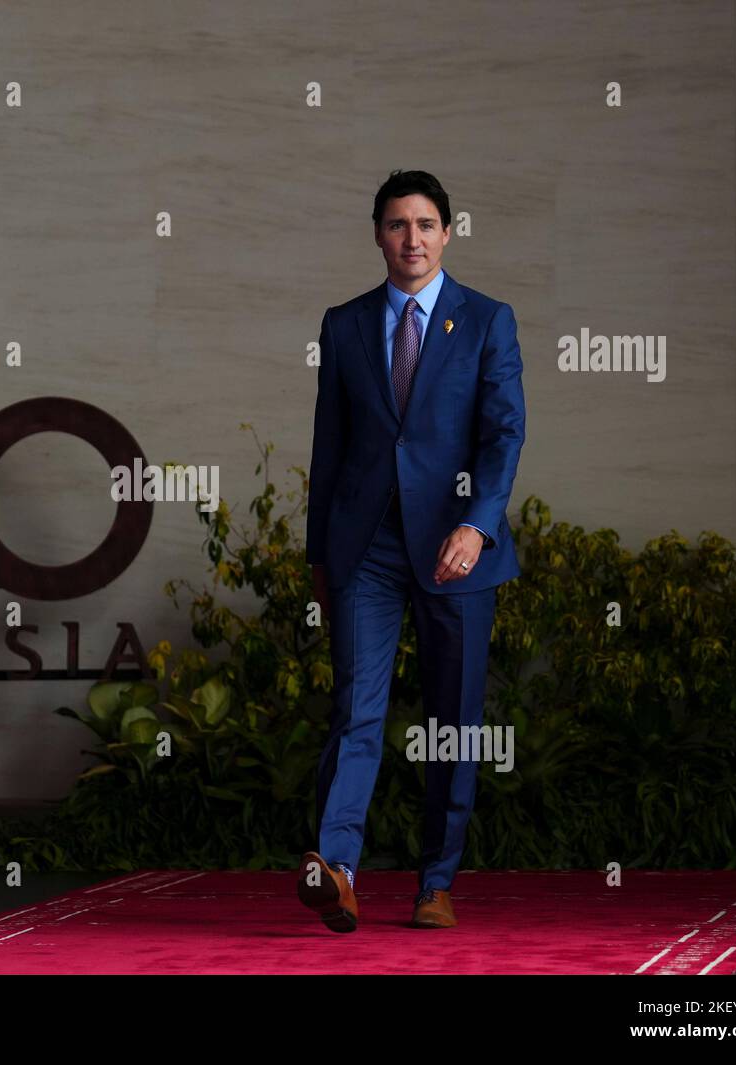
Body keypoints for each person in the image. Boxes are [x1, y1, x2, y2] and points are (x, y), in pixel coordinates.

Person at [297, 169, 526, 932]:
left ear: (449, 233)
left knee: (452, 720)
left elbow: (503, 434)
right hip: (366, 549)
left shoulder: (488, 321)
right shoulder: (345, 324)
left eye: (426, 224)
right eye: (398, 224)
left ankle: (436, 881)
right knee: (354, 710)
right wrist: (319, 560)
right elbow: (328, 448)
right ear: (377, 235)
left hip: (456, 548)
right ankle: (337, 868)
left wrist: (479, 523)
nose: (412, 239)